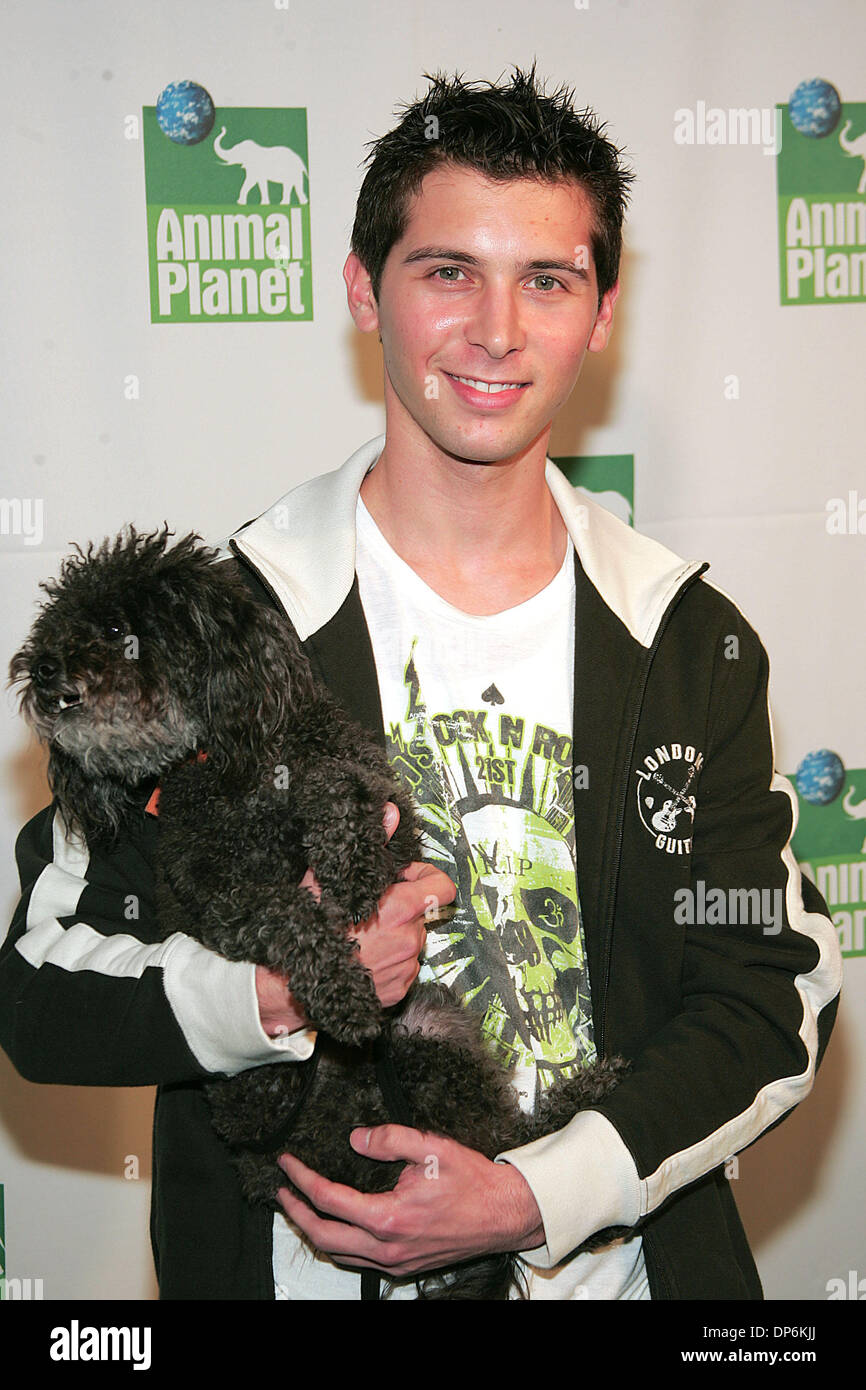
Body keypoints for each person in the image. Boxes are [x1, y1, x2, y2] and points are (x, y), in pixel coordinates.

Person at [1, 64, 842, 1301]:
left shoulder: (681, 636)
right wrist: (276, 989)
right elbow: (41, 987)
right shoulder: (216, 631)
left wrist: (536, 1194)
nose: (497, 330)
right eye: (448, 271)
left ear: (600, 312)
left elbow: (769, 987)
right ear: (363, 288)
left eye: (545, 279)